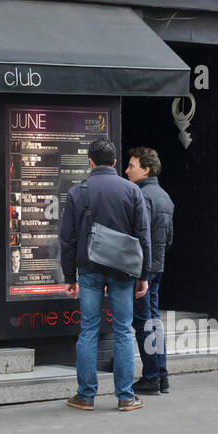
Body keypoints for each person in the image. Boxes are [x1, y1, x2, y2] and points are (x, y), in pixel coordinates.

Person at [60, 138, 151, 412]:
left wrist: (69, 277)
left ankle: (86, 396)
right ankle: (125, 396)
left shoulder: (78, 192)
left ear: (90, 162)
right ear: (114, 163)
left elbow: (68, 239)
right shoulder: (132, 191)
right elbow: (143, 236)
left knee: (88, 329)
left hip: (88, 269)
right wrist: (143, 275)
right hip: (123, 271)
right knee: (123, 330)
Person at [125, 146, 174, 395]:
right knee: (153, 320)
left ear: (145, 169)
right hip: (158, 266)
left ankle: (152, 376)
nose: (126, 170)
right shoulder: (164, 195)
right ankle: (161, 375)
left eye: (131, 166)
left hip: (142, 269)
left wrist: (139, 272)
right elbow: (169, 238)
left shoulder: (142, 196)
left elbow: (139, 236)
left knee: (143, 322)